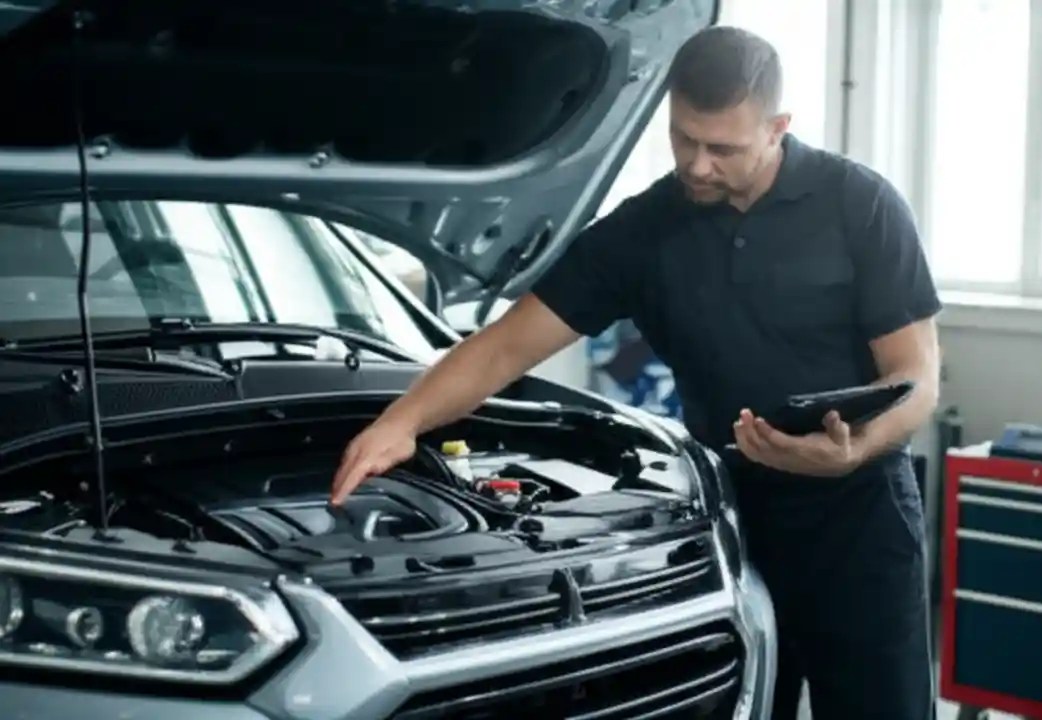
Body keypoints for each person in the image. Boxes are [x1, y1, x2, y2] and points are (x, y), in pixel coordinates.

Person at [331, 26, 941, 720]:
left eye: (723, 149)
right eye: (684, 139)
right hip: (732, 518)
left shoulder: (861, 204)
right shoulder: (643, 231)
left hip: (858, 521)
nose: (699, 166)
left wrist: (857, 448)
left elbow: (917, 376)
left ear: (778, 128)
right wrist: (400, 422)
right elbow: (506, 345)